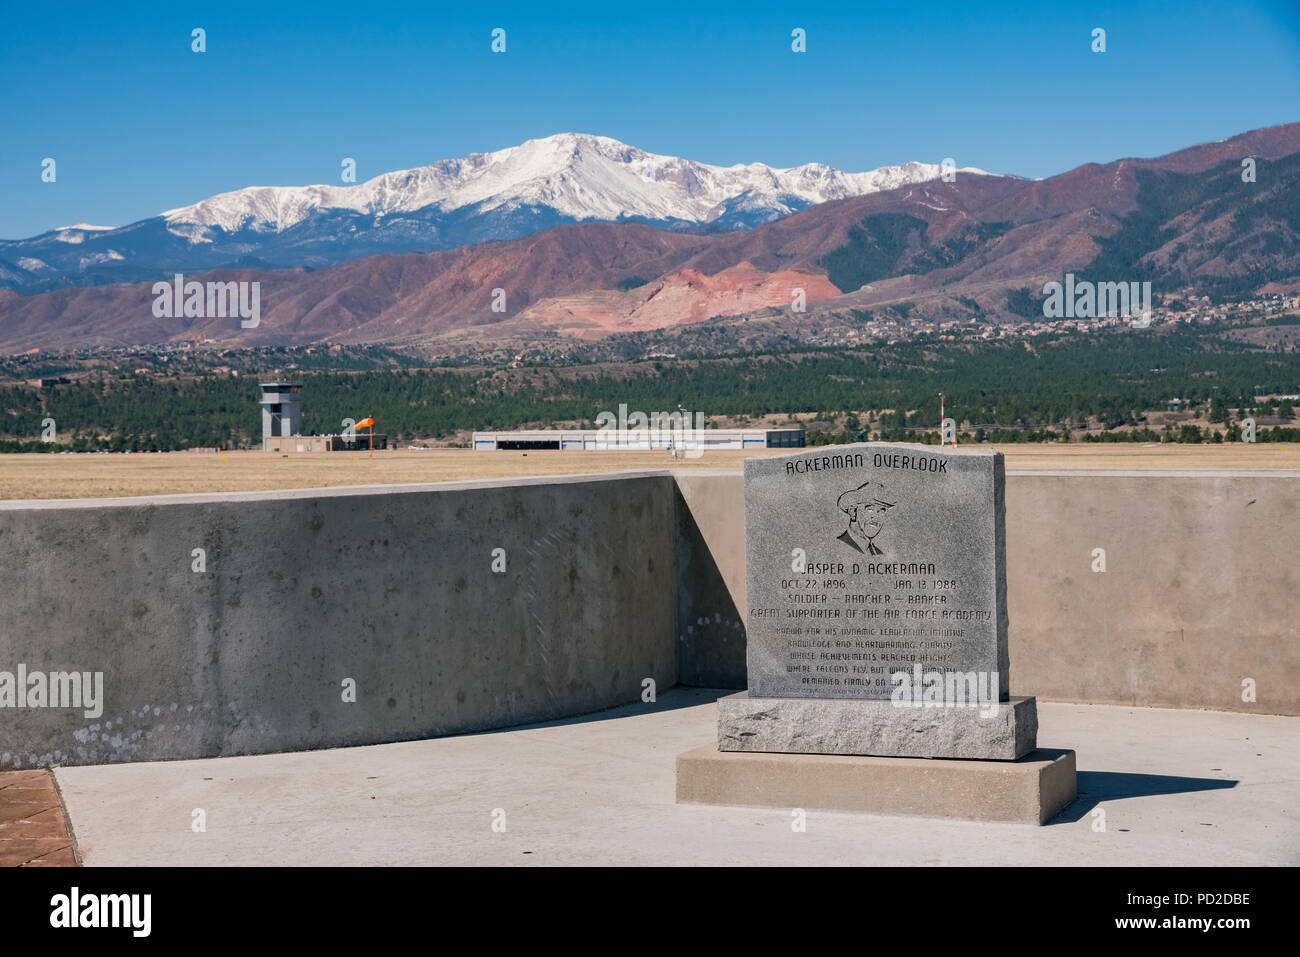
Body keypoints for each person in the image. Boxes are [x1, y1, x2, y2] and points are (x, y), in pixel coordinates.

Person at [835, 481, 894, 555]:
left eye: (882, 512)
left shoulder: (878, 554)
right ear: (853, 512)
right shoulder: (836, 547)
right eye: (870, 510)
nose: (876, 517)